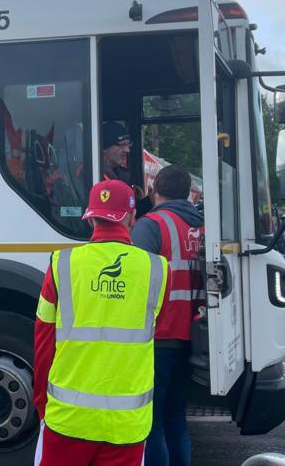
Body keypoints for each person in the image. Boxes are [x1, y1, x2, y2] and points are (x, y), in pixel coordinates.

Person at [34, 179, 170, 466]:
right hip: (127, 425)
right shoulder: (158, 270)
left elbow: (43, 345)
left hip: (68, 420)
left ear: (91, 217)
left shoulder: (61, 264)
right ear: (132, 217)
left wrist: (42, 406)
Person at [130, 165, 203, 466]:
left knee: (152, 422)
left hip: (160, 334)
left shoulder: (151, 224)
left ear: (153, 189)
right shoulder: (202, 226)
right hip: (194, 335)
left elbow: (138, 277)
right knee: (176, 419)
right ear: (187, 191)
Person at [101, 121, 152, 216]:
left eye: (128, 145)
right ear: (104, 147)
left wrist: (150, 200)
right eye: (121, 145)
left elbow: (129, 212)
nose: (127, 150)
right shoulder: (90, 174)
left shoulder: (123, 175)